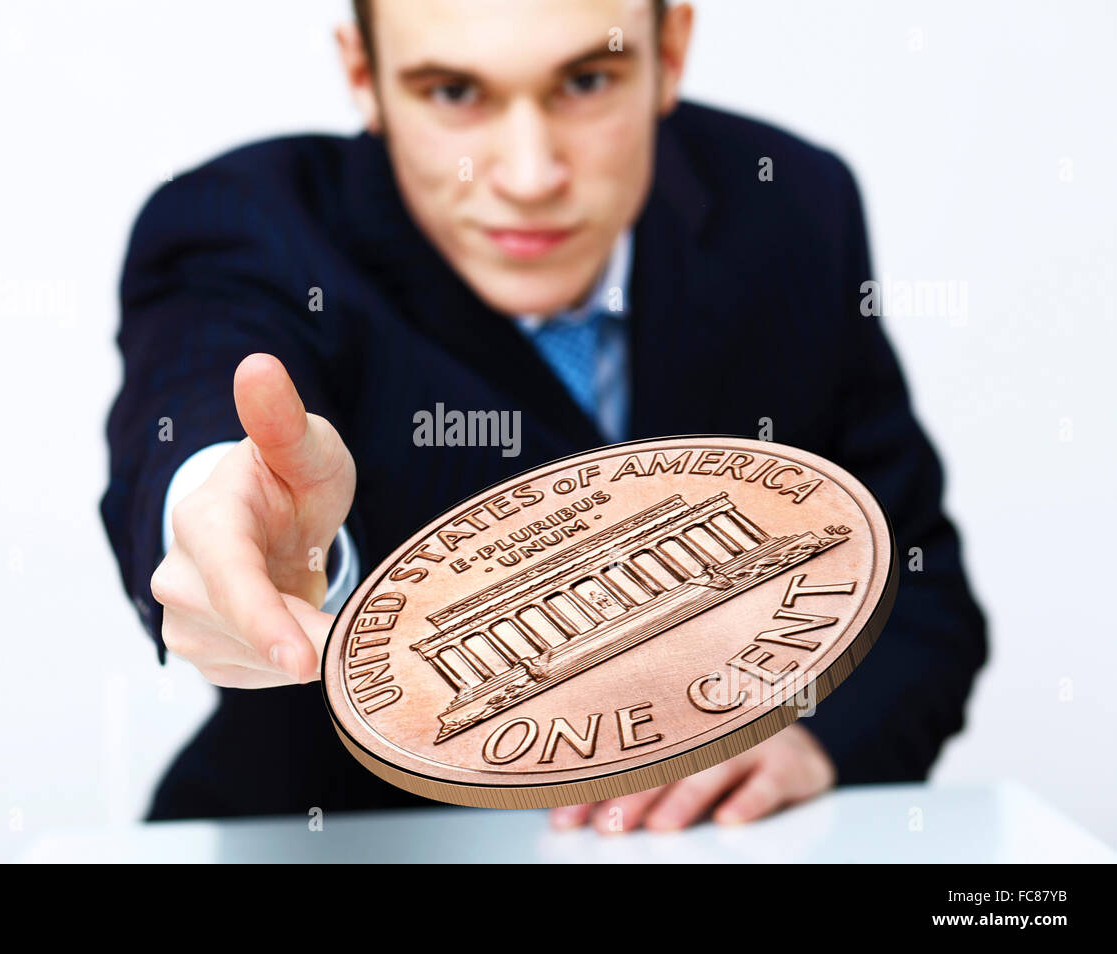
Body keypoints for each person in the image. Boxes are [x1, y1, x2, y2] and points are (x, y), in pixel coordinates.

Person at [101, 0, 987, 834]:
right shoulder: (245, 225)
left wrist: (816, 737)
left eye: (585, 82)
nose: (529, 177)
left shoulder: (793, 207)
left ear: (669, 53)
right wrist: (225, 512)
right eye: (453, 92)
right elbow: (199, 387)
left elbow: (923, 599)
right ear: (364, 76)